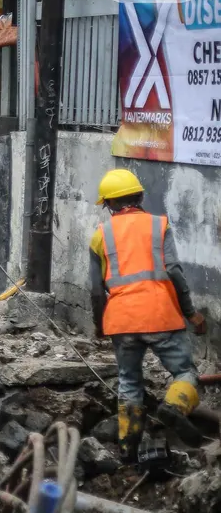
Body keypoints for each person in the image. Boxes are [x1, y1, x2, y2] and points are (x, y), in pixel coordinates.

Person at [90, 169, 208, 459]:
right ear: (141, 197)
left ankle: (128, 451)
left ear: (109, 204)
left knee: (129, 382)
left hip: (122, 320)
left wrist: (100, 325)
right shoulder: (159, 225)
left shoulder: (100, 235)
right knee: (185, 373)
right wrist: (190, 313)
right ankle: (174, 407)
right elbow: (174, 272)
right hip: (161, 314)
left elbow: (95, 290)